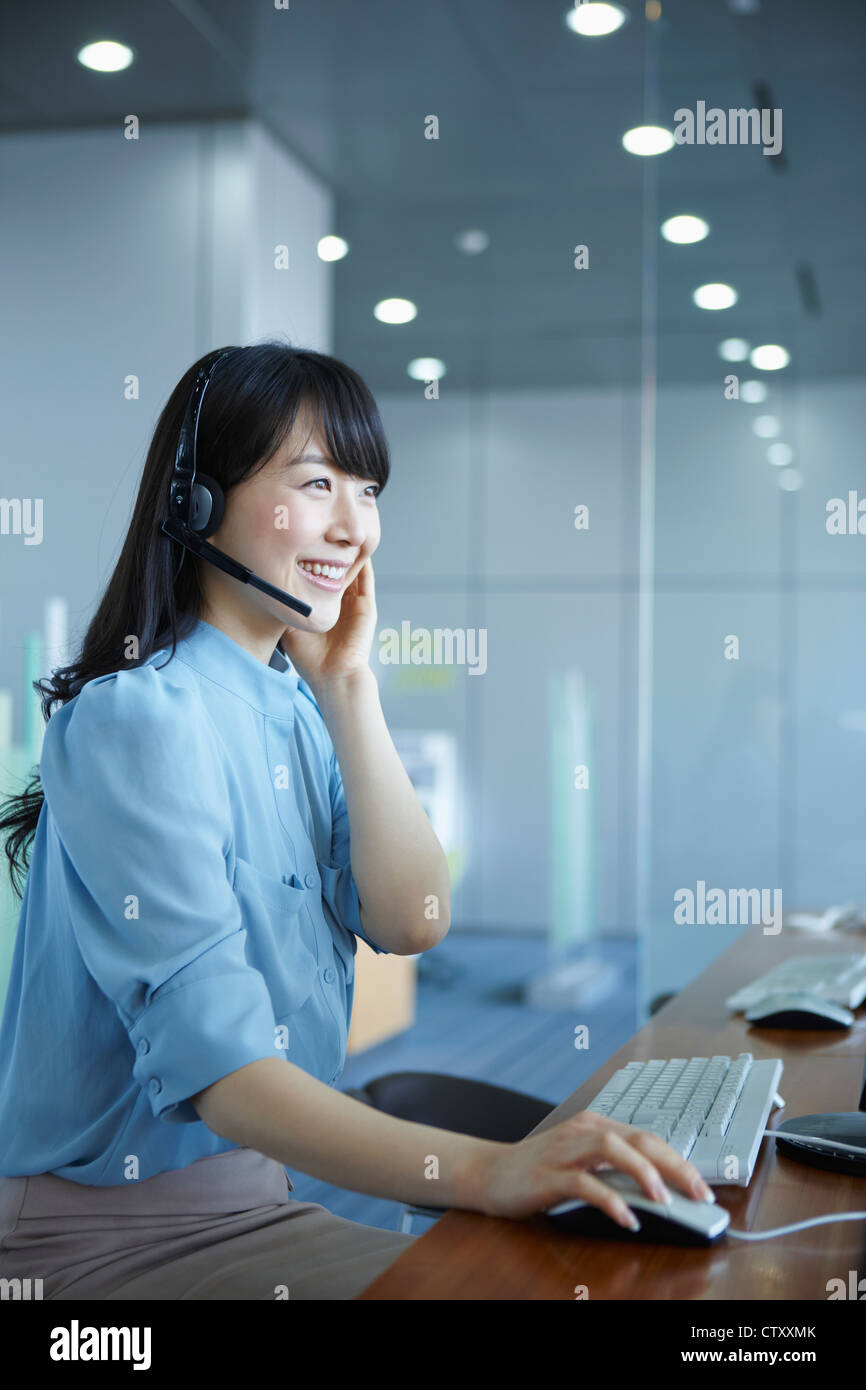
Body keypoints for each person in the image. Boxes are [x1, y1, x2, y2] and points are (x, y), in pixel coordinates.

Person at [0, 342, 714, 1301]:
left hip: (260, 1202)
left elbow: (411, 918)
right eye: (319, 481)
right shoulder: (138, 718)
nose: (354, 527)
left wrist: (348, 685)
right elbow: (227, 1073)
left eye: (368, 490)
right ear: (195, 502)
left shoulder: (297, 705)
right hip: (114, 1241)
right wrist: (482, 1173)